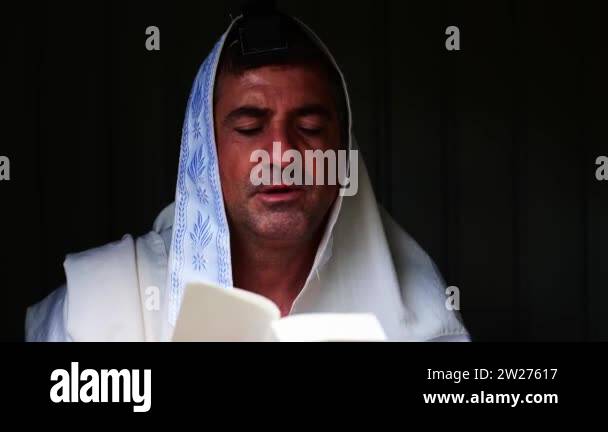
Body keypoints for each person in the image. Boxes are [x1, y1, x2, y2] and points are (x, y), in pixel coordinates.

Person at [25, 8, 469, 342]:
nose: (280, 155)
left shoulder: (424, 319)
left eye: (310, 128)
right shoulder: (97, 307)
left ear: (343, 150)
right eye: (249, 128)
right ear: (205, 148)